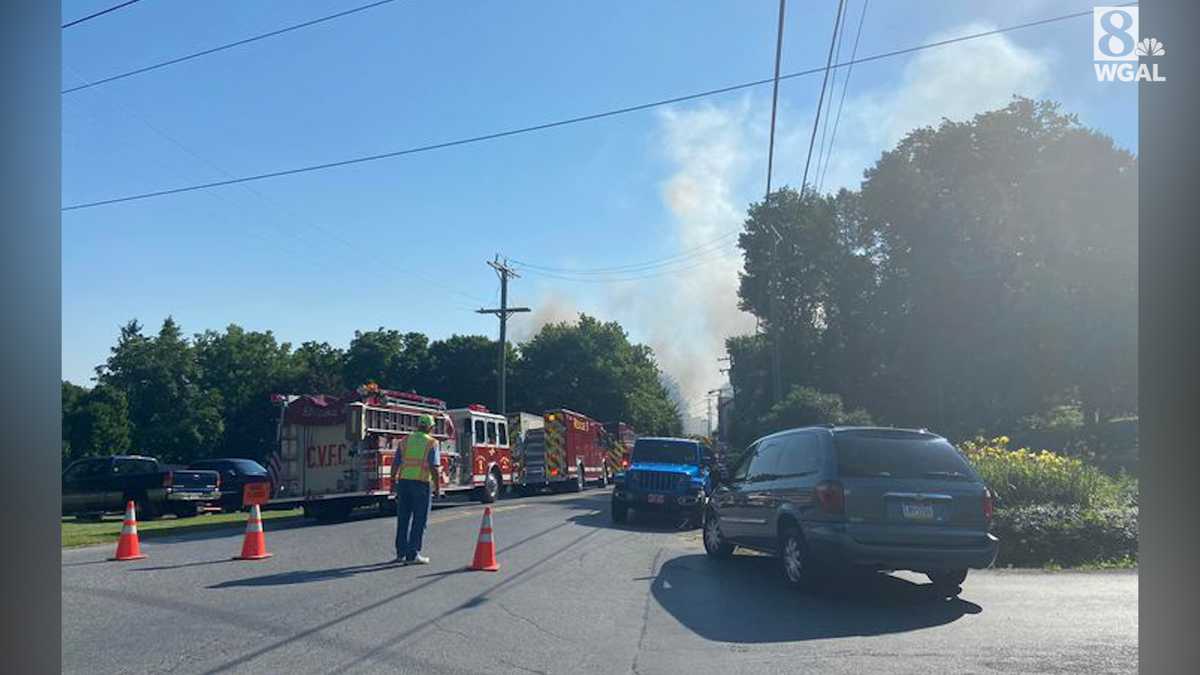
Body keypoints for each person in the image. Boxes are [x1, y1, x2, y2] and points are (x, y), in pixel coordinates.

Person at [391, 413, 442, 565]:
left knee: (403, 519)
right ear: (430, 427)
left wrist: (392, 483)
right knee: (419, 519)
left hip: (404, 483)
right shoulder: (432, 443)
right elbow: (434, 467)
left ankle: (401, 553)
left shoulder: (404, 441)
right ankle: (413, 554)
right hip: (421, 484)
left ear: (418, 425)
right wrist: (437, 487)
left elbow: (395, 464)